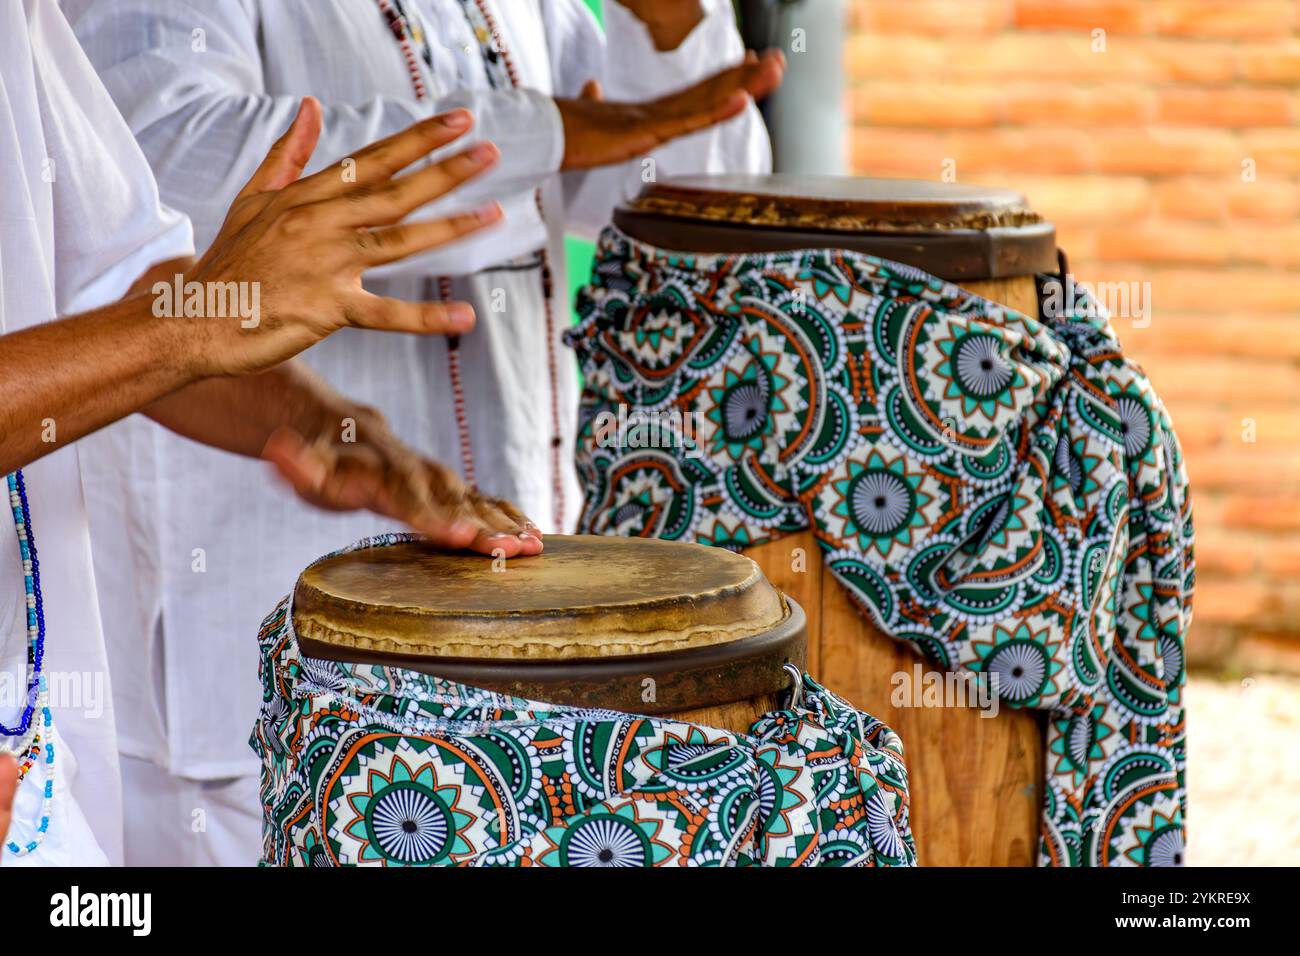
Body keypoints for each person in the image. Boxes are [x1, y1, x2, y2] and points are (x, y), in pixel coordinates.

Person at [66, 0, 784, 865]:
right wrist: (539, 137)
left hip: (525, 621)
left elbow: (672, 207)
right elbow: (166, 161)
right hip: (268, 669)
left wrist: (666, 31)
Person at [0, 0, 546, 865]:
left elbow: (112, 284)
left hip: (34, 732)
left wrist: (349, 433)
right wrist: (180, 332)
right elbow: (155, 319)